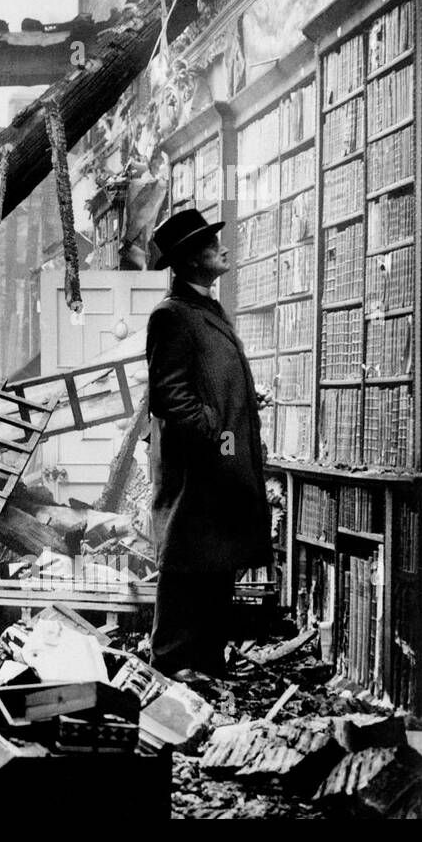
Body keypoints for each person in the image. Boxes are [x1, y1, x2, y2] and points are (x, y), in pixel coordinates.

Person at [145, 207, 271, 680]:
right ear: (191, 260)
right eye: (209, 243)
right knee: (185, 563)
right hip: (200, 464)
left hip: (221, 459)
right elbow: (170, 397)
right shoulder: (172, 315)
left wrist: (240, 397)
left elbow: (205, 378)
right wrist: (213, 427)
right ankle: (173, 662)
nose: (222, 247)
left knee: (216, 560)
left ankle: (207, 663)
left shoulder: (204, 309)